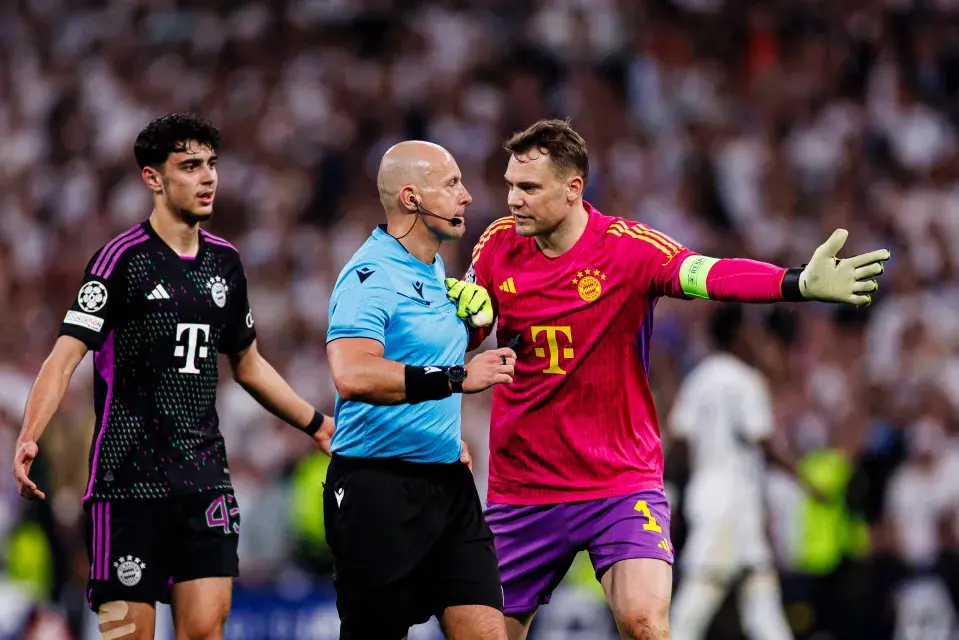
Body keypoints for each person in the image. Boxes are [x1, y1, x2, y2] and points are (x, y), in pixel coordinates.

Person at [443, 119, 890, 640]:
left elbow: (710, 275)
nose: (512, 200)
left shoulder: (628, 249)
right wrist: (465, 320)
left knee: (645, 623)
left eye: (528, 187)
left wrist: (796, 283)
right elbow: (469, 332)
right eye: (510, 186)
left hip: (618, 484)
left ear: (572, 188)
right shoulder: (497, 244)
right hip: (525, 488)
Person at [11, 113, 335, 640]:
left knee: (206, 629)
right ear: (153, 179)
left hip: (204, 477)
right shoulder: (120, 261)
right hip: (126, 483)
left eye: (211, 164)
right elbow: (64, 358)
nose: (208, 177)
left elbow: (249, 365)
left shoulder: (226, 263)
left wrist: (316, 423)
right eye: (189, 166)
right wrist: (30, 434)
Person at [324, 140, 514, 640]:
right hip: (378, 490)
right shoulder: (369, 276)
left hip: (449, 486)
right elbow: (352, 374)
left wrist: (441, 431)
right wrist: (457, 377)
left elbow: (413, 355)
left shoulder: (432, 269)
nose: (466, 195)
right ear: (411, 198)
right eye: (451, 184)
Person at [667, 304, 802, 640]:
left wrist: (669, 492)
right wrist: (807, 480)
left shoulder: (699, 378)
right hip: (731, 503)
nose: (756, 339)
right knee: (701, 590)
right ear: (738, 334)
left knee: (761, 591)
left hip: (711, 495)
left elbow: (679, 442)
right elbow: (763, 440)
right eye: (750, 331)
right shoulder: (746, 380)